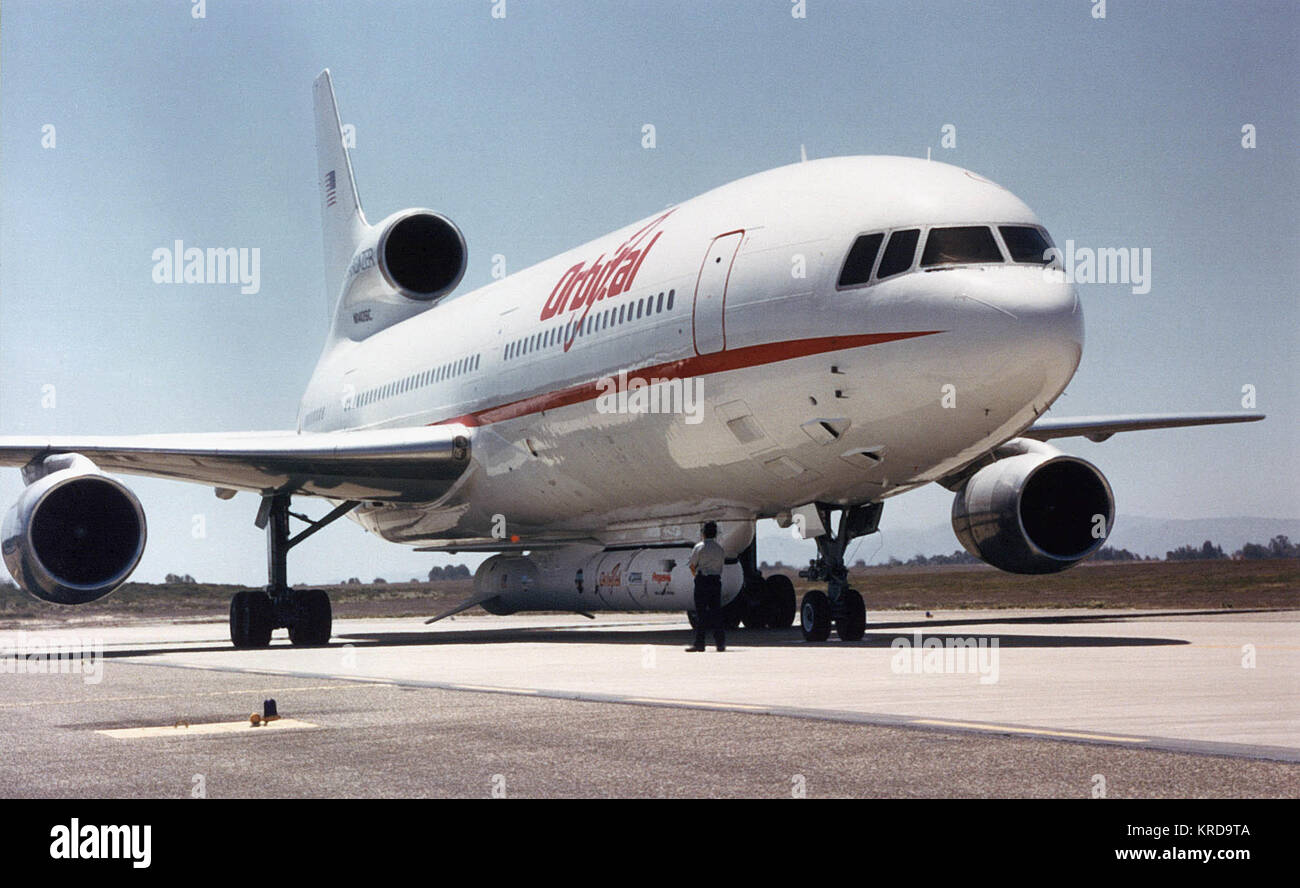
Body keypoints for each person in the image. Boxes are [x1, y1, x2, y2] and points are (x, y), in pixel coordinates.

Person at [687, 521, 726, 652]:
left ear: (703, 533)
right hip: (715, 581)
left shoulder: (699, 547)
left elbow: (692, 565)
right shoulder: (720, 549)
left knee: (701, 614)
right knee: (716, 613)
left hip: (702, 581)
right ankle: (720, 643)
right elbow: (721, 565)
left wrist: (696, 576)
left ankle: (700, 643)